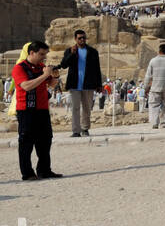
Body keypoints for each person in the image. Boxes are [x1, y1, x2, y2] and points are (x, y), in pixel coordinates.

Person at [12, 41, 62, 180]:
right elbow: (26, 86)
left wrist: (55, 76)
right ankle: (27, 173)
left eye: (45, 55)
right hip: (26, 110)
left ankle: (44, 170)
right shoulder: (19, 68)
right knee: (26, 142)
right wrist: (45, 75)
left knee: (45, 140)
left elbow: (51, 85)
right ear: (31, 53)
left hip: (42, 109)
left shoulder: (41, 67)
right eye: (41, 54)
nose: (43, 58)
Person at [58, 29, 103, 137]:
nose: (82, 40)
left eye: (83, 37)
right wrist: (72, 54)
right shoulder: (70, 51)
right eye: (80, 38)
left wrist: (99, 84)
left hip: (88, 84)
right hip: (74, 84)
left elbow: (97, 69)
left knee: (87, 108)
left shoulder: (92, 52)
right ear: (75, 39)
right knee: (75, 108)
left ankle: (85, 128)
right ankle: (76, 131)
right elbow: (64, 64)